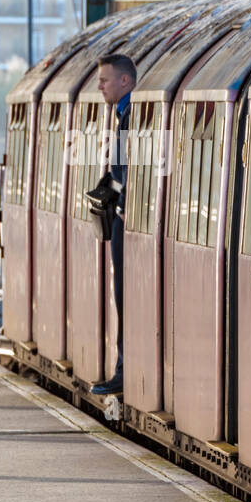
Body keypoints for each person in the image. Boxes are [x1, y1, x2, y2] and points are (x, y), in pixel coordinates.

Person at [90, 54, 136, 396]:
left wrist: (116, 197)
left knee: (125, 297)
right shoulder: (124, 114)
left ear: (124, 81)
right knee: (124, 297)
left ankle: (124, 370)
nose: (99, 86)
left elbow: (129, 173)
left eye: (104, 80)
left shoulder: (130, 115)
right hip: (125, 215)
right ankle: (122, 368)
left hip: (127, 220)